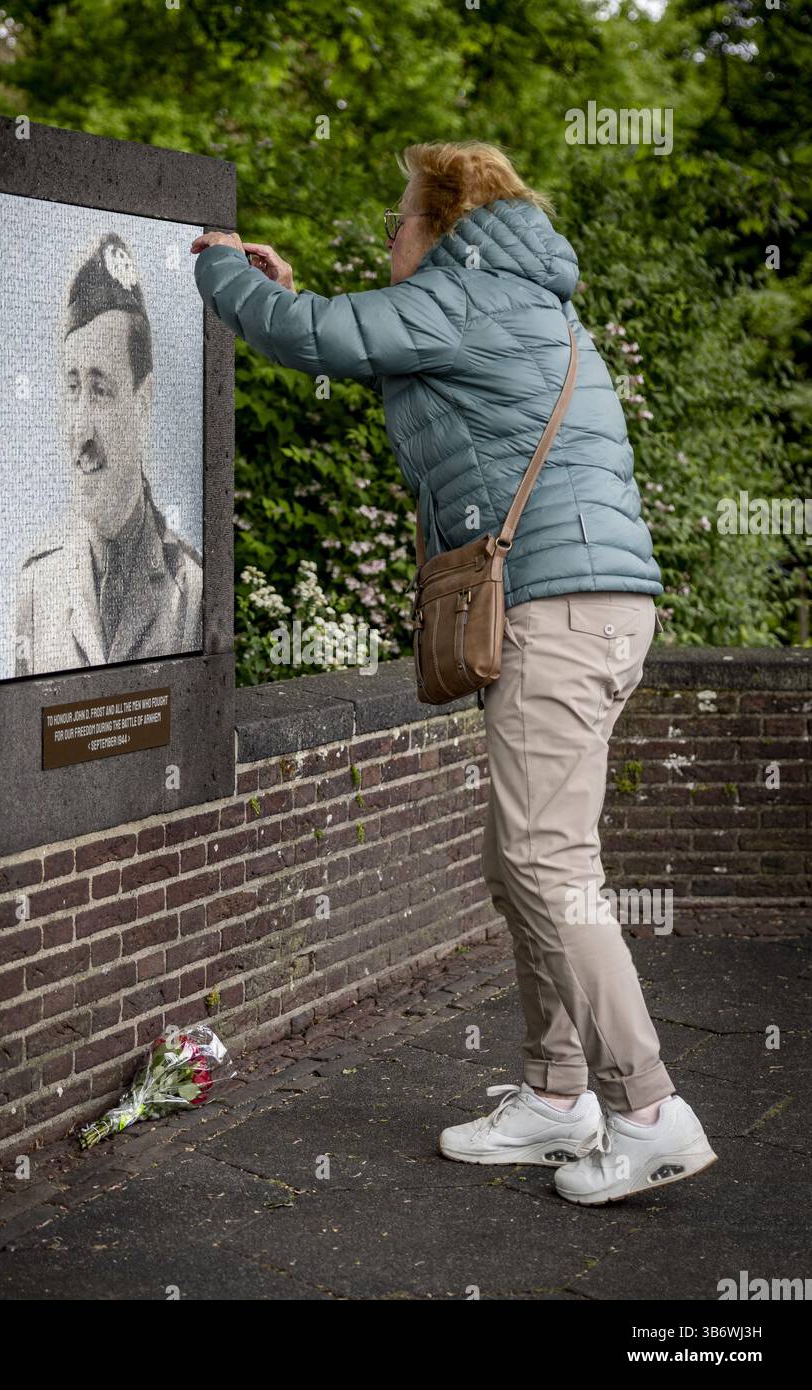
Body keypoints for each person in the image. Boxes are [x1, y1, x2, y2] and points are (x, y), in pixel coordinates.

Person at [190, 140, 717, 1206]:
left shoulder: (466, 292)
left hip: (561, 614)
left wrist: (218, 268)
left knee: (547, 860)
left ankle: (651, 1110)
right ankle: (559, 1095)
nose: (389, 236)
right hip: (589, 610)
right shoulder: (508, 299)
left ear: (442, 224)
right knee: (519, 858)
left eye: (397, 219)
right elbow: (362, 338)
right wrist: (279, 294)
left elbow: (321, 336)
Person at [14, 232, 203, 677]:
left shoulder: (192, 591)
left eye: (100, 389)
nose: (80, 429)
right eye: (72, 387)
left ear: (143, 401)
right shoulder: (37, 584)